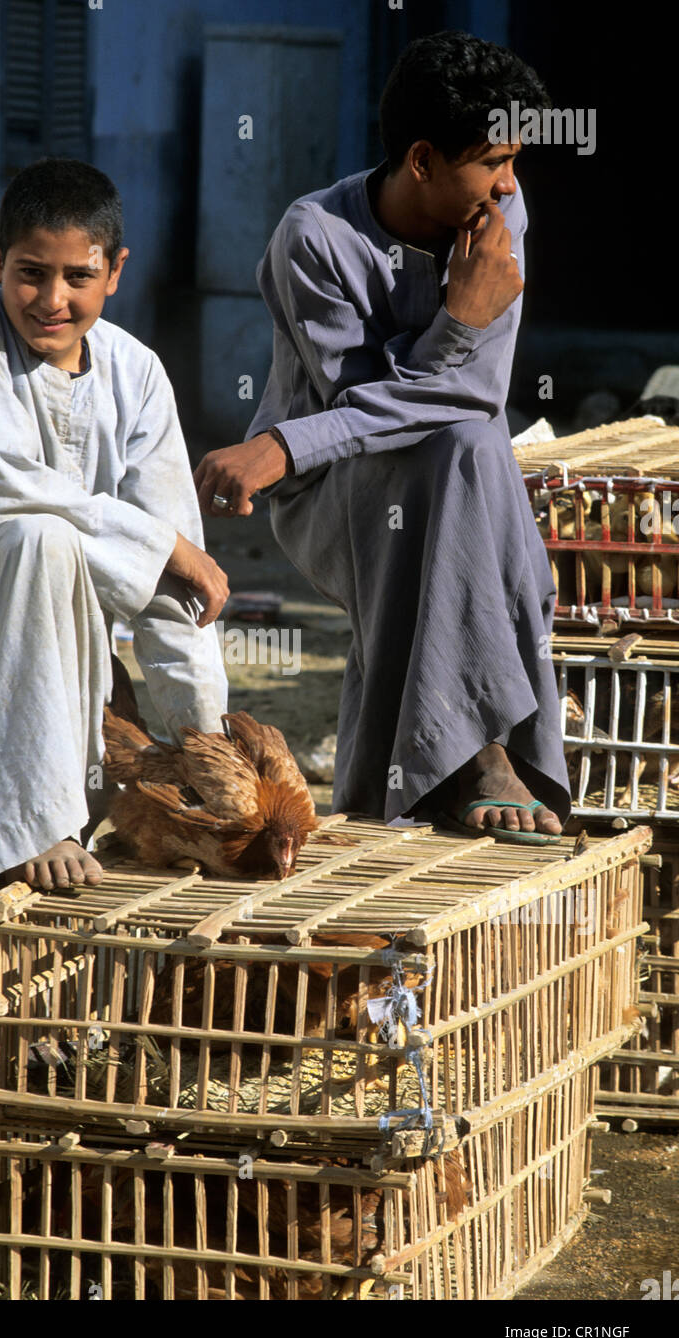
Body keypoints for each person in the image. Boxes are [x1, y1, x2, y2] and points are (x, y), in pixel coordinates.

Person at [0, 158, 229, 1229]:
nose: (50, 299)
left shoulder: (139, 377)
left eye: (77, 276)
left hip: (77, 661)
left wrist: (197, 753)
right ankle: (37, 819)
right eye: (31, 272)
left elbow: (177, 606)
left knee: (4, 849)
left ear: (116, 271)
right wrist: (163, 545)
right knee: (32, 544)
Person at [194, 30, 571, 842]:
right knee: (453, 454)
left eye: (515, 163)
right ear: (425, 159)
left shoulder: (503, 216)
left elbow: (473, 396)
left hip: (450, 475)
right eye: (493, 161)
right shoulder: (316, 238)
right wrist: (459, 320)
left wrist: (279, 443)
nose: (510, 184)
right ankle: (483, 754)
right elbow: (365, 414)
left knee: (465, 448)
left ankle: (448, 766)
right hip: (336, 488)